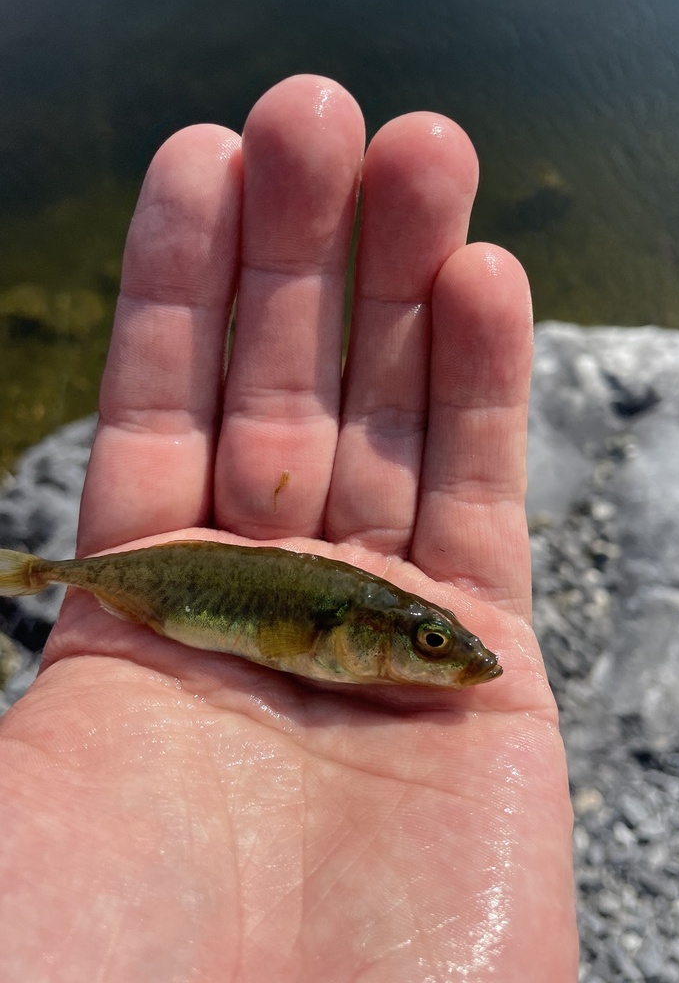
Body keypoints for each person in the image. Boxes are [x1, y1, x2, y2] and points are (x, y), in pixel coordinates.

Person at [0, 75, 578, 981]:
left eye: (434, 641)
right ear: (358, 634)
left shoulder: (351, 637)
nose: (452, 656)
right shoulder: (312, 630)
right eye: (430, 641)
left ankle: (40, 571)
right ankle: (35, 571)